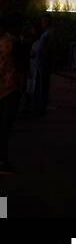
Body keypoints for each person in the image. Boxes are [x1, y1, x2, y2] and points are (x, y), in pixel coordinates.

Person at [0, 15, 27, 173]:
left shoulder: (13, 43)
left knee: (4, 125)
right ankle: (3, 160)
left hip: (9, 88)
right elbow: (22, 67)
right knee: (5, 126)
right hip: (10, 89)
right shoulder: (14, 42)